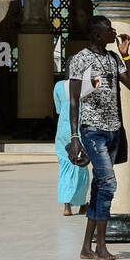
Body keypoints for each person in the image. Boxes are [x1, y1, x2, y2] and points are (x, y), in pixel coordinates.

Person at [66, 14, 130, 260]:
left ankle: (87, 247)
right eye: (109, 30)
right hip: (92, 130)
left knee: (99, 186)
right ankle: (101, 246)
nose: (114, 32)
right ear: (98, 35)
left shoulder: (113, 59)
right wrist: (75, 136)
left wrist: (126, 55)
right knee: (108, 184)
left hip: (113, 130)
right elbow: (74, 100)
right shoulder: (80, 59)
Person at [54, 75, 89, 216]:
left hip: (62, 129)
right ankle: (81, 203)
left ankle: (67, 205)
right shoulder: (85, 85)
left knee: (64, 166)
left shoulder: (58, 86)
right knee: (81, 167)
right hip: (78, 129)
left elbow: (58, 109)